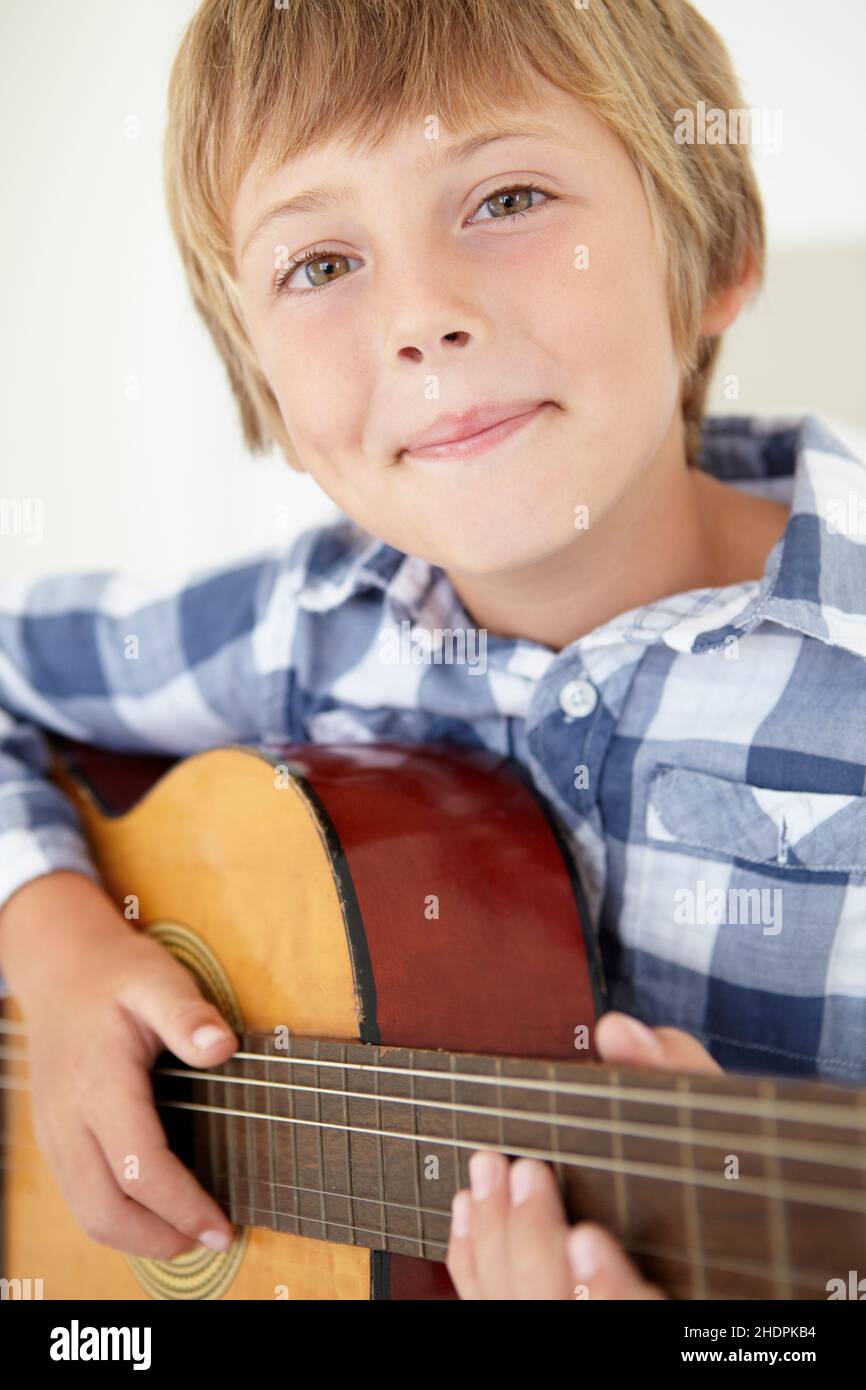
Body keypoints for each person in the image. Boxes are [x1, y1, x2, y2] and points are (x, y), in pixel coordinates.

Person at [1, 0, 863, 1300]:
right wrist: (55, 943)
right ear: (266, 391)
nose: (420, 316)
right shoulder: (304, 626)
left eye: (505, 197)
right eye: (320, 265)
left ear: (717, 252)